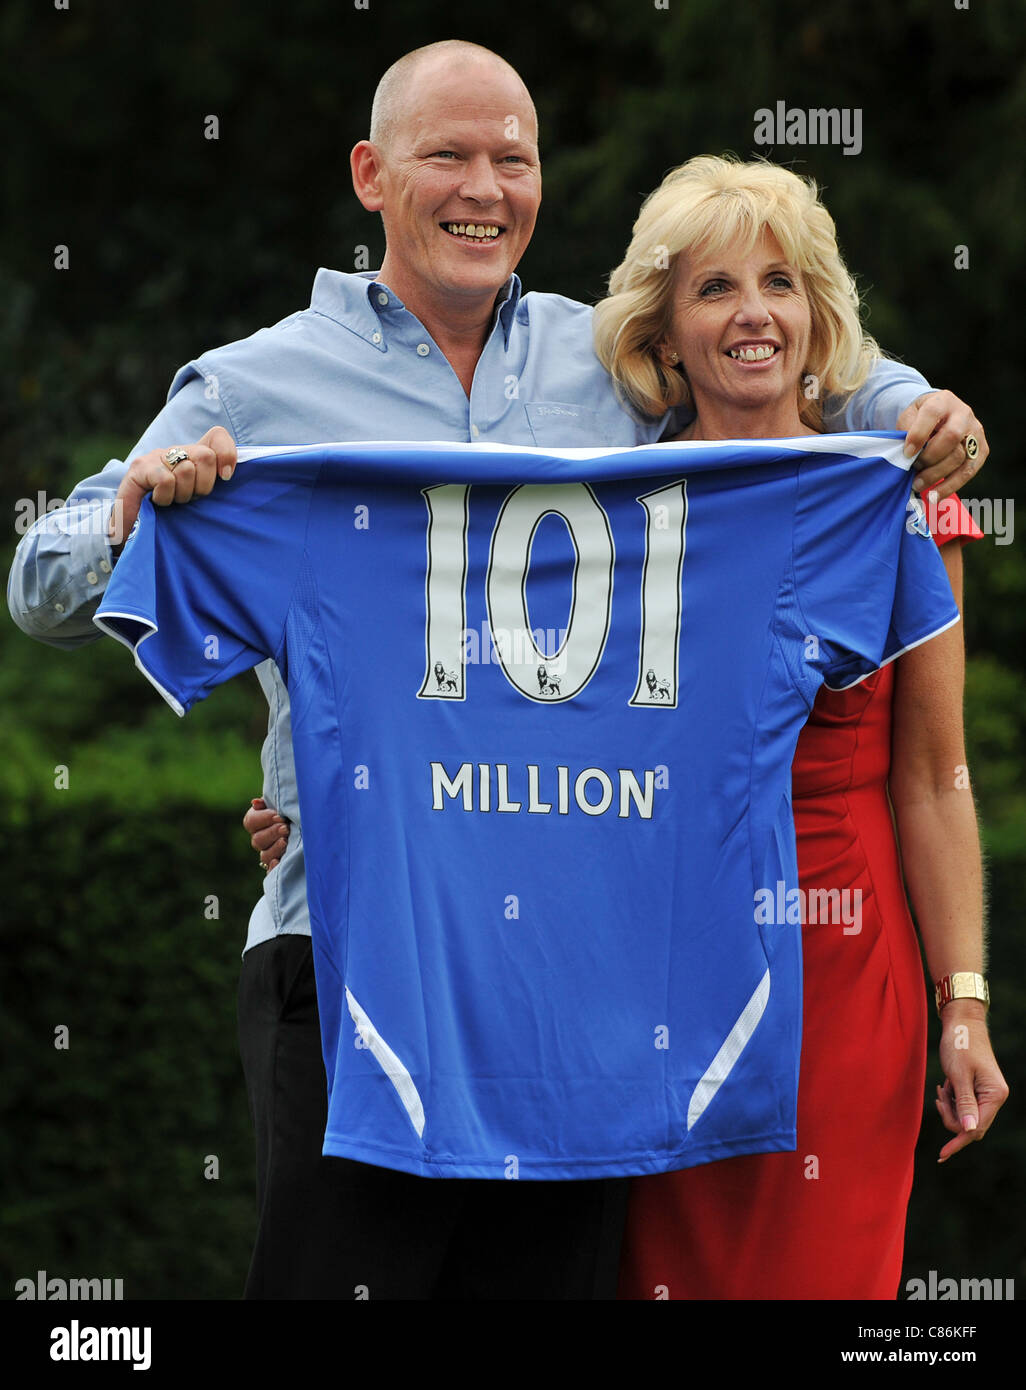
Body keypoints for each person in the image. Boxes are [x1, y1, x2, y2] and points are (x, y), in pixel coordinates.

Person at [7, 46, 989, 1300]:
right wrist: (139, 508)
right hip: (350, 949)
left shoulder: (615, 371)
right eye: (448, 155)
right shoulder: (255, 385)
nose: (486, 186)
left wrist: (912, 404)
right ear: (370, 175)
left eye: (513, 159)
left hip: (578, 980)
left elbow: (786, 374)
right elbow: (39, 587)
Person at [590, 154, 1008, 1300]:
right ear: (667, 332)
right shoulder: (604, 509)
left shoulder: (906, 495)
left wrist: (964, 1004)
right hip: (648, 971)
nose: (753, 313)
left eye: (781, 282)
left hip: (843, 967)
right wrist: (323, 805)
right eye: (714, 287)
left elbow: (933, 778)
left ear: (819, 317)